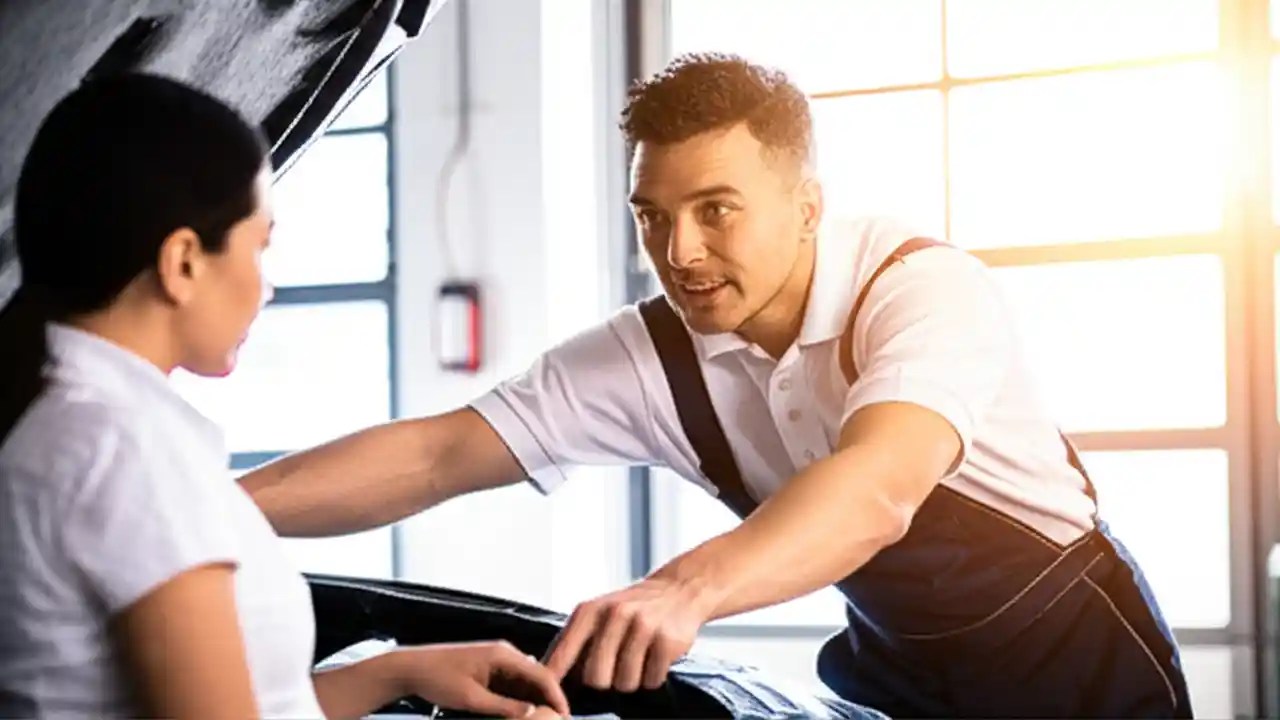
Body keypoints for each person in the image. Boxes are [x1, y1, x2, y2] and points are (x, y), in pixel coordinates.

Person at [241, 52, 1192, 718]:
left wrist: (682, 589)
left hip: (1079, 667)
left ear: (808, 207)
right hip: (896, 679)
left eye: (717, 210)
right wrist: (210, 511)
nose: (679, 252)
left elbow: (878, 490)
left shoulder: (921, 289)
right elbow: (437, 454)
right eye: (653, 216)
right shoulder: (654, 352)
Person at [0, 73, 569, 720]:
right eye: (259, 249)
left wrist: (398, 672)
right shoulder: (127, 453)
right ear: (183, 262)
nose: (265, 288)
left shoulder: (77, 430)